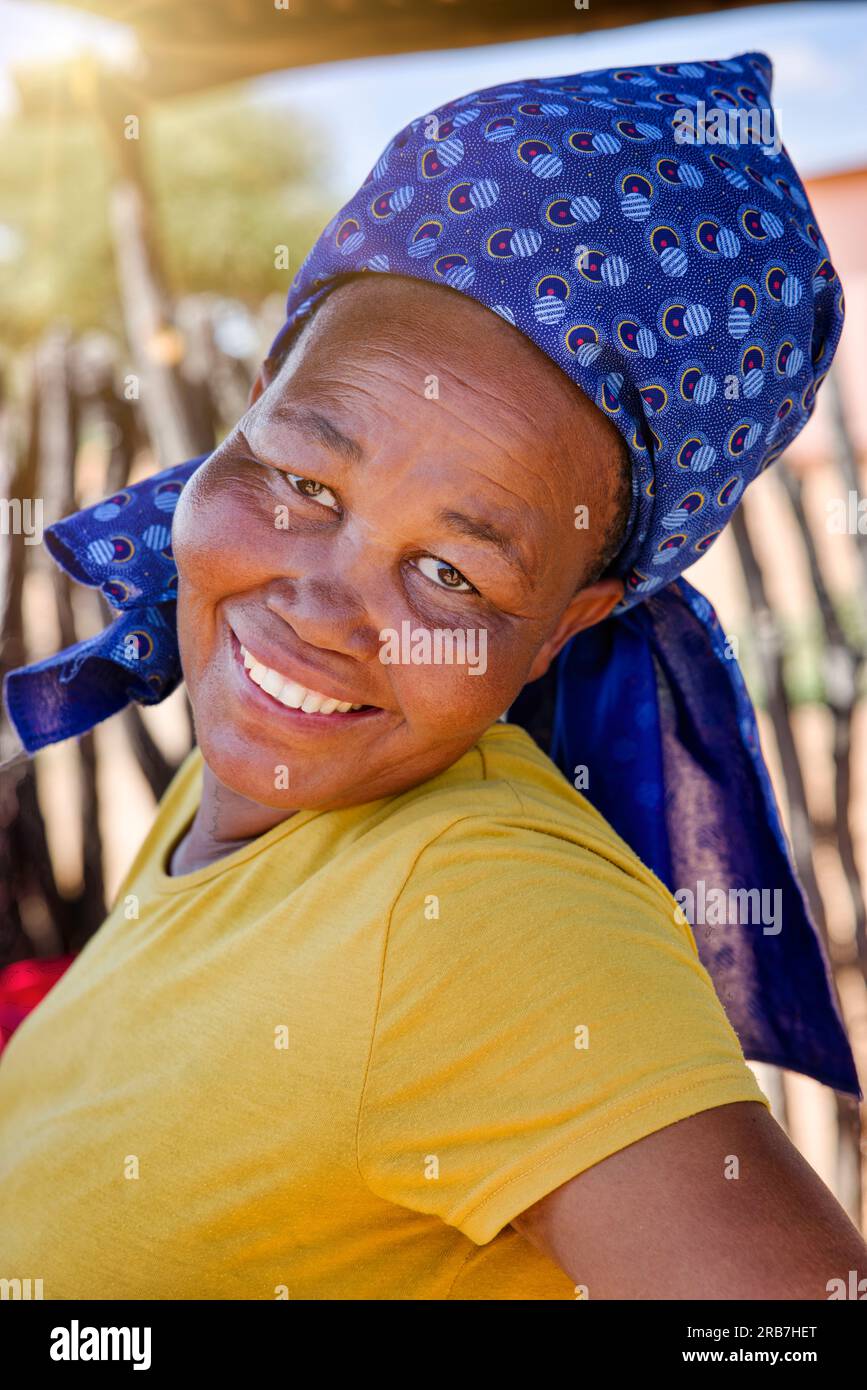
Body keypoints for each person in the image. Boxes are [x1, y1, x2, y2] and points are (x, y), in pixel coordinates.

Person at [1, 51, 865, 1300]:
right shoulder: (244, 805)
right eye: (302, 480)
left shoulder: (478, 911)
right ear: (253, 405)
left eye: (453, 575)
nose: (321, 610)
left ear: (570, 621)